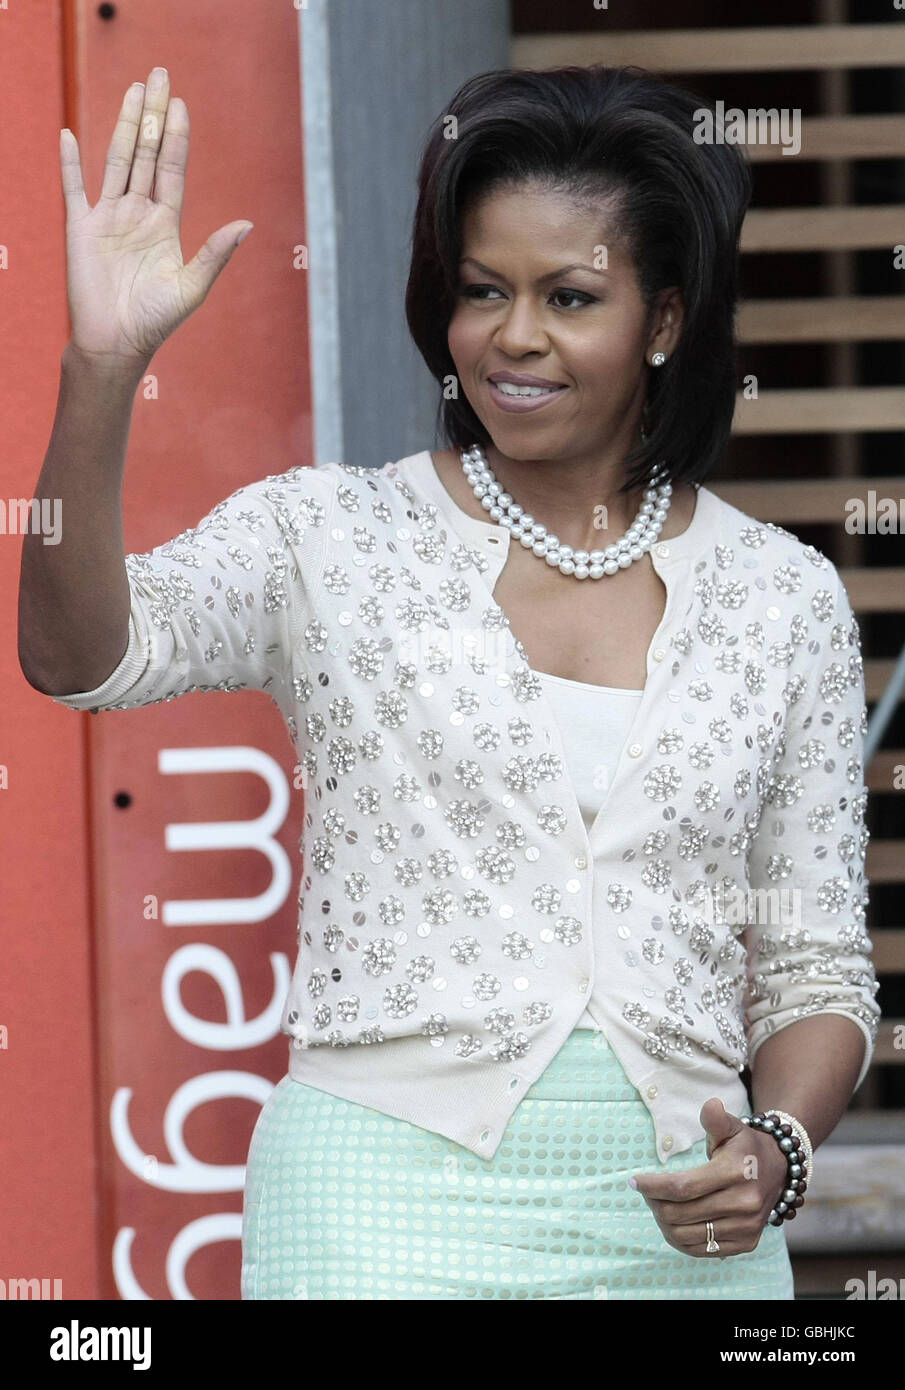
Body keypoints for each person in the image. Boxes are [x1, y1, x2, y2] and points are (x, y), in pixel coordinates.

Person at [19, 62, 880, 1301]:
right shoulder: (329, 539)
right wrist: (101, 369)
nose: (512, 336)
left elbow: (813, 974)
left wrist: (776, 1148)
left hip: (683, 1242)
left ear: (664, 320)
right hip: (376, 1219)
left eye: (568, 296)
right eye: (483, 291)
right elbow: (79, 655)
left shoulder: (779, 599)